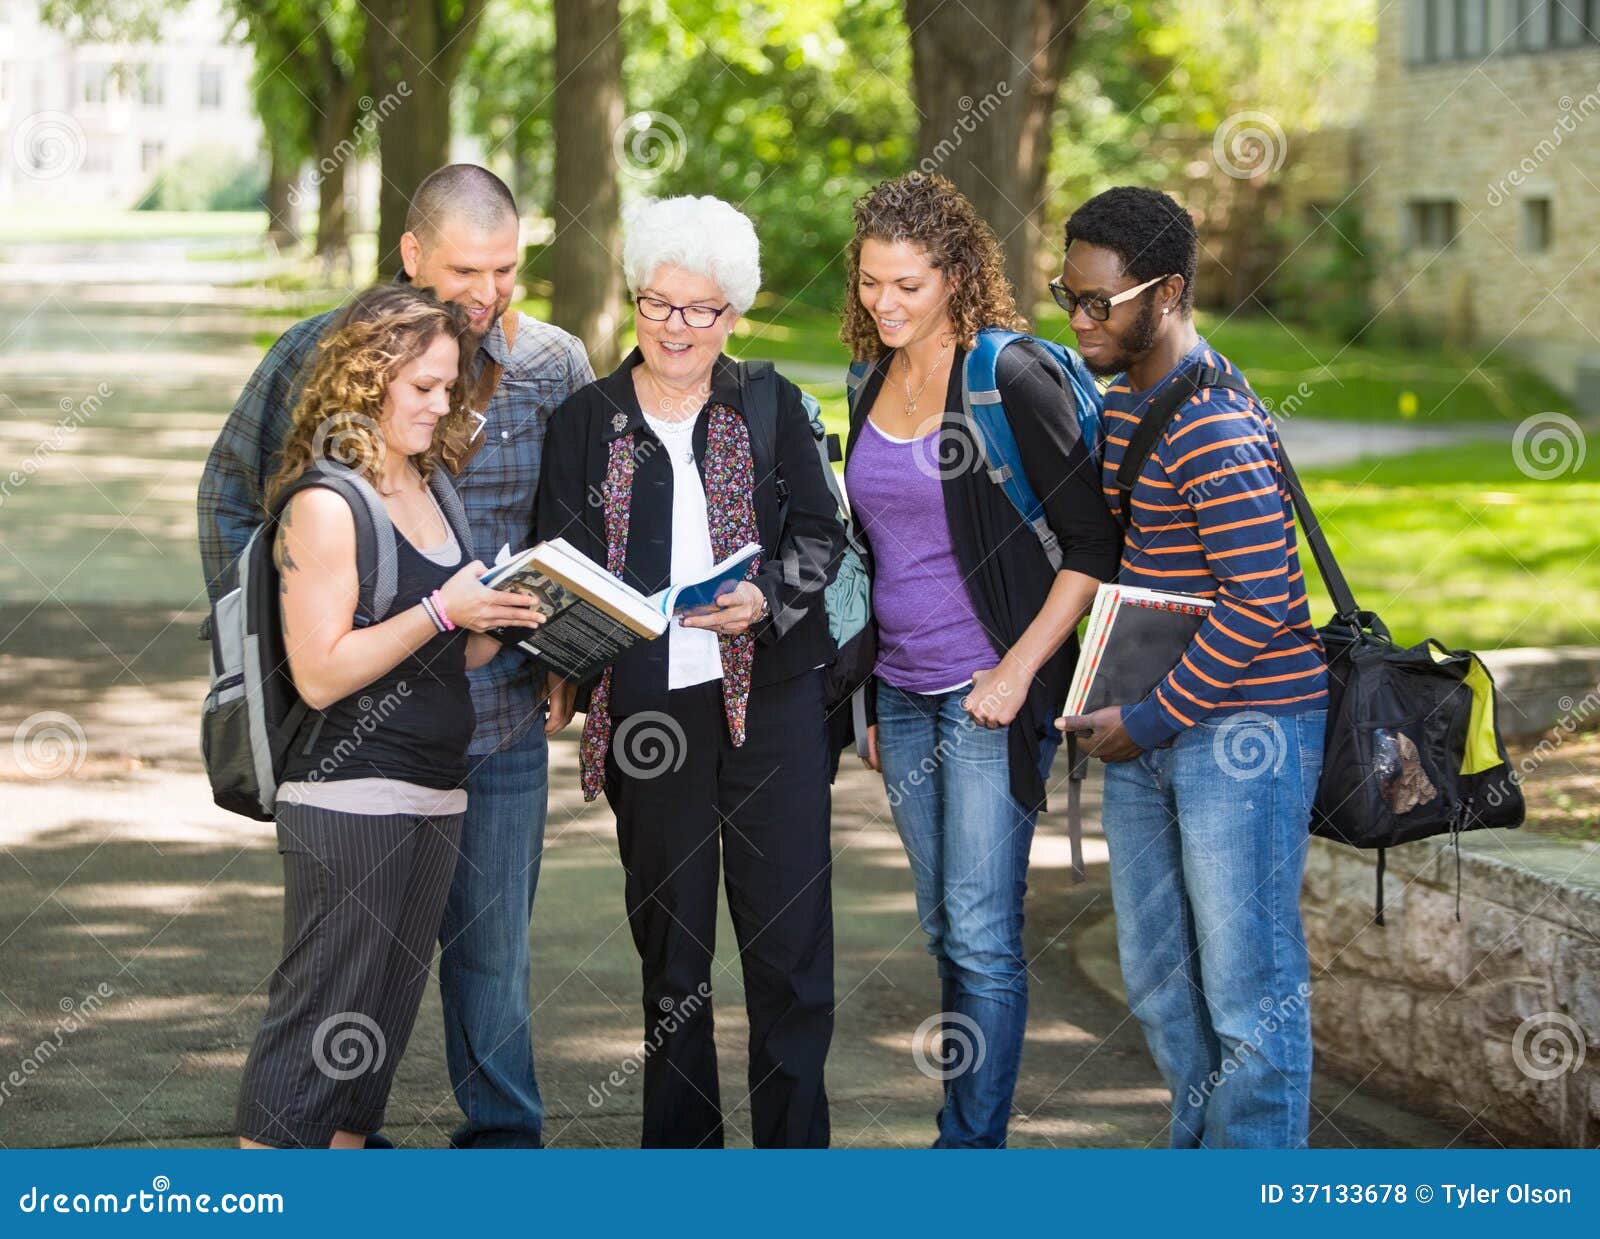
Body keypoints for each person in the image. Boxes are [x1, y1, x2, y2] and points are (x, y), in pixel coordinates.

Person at [199, 165, 592, 1149]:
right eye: (468, 268)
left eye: (508, 270)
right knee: (343, 982)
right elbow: (229, 499)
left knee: (474, 964)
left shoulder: (552, 364)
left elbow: (577, 521)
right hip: (352, 742)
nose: (491, 292)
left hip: (486, 722)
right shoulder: (318, 359)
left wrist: (567, 653)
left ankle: (498, 1152)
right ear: (414, 256)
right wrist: (275, 662)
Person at [537, 195, 843, 1148]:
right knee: (674, 957)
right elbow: (557, 556)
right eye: (657, 305)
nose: (675, 328)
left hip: (773, 707)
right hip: (649, 708)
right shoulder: (587, 420)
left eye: (698, 310)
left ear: (732, 315)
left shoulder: (773, 403)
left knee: (790, 958)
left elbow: (823, 537)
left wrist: (766, 601)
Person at [840, 172, 1121, 1148]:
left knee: (982, 933)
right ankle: (967, 1129)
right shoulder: (865, 379)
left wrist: (1015, 674)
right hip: (903, 694)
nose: (885, 303)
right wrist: (867, 705)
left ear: (955, 276)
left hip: (986, 693)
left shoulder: (1007, 378)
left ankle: (969, 1154)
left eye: (907, 285)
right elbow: (871, 554)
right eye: (872, 282)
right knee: (942, 926)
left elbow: (1092, 544)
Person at [235, 285, 543, 1148]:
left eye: (449, 387)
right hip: (348, 799)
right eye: (424, 388)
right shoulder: (325, 503)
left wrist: (515, 619)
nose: (443, 403)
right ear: (369, 382)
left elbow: (452, 649)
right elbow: (323, 673)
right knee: (315, 1030)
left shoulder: (433, 482)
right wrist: (445, 611)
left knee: (368, 1046)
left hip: (437, 794)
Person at [1055, 186, 1329, 1149]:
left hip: (1241, 734)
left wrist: (1152, 715)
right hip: (1153, 730)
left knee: (1250, 993)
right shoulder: (1123, 400)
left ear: (1165, 293)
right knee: (1164, 985)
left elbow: (1262, 600)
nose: (1082, 319)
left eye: (1102, 302)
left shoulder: (1211, 422)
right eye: (1069, 296)